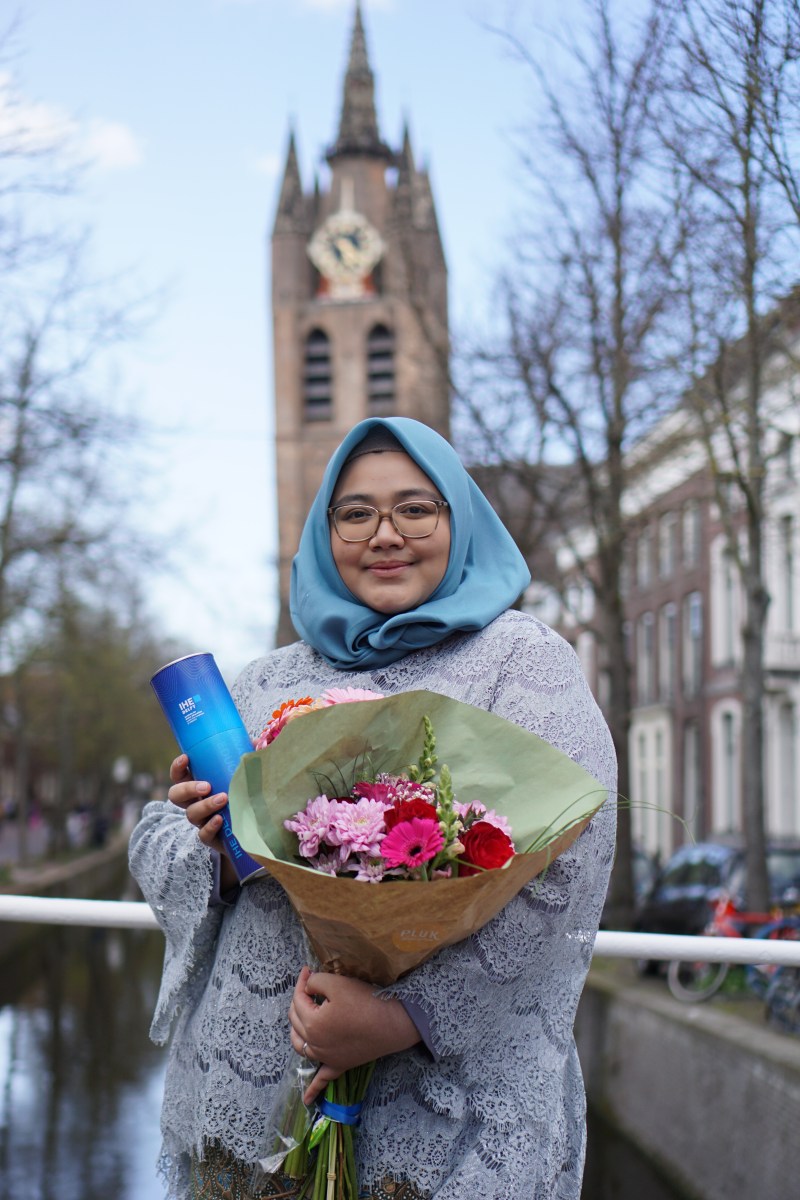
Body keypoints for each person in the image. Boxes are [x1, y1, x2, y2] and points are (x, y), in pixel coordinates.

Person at [130, 416, 617, 1200]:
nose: (385, 534)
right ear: (326, 533)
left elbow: (569, 866)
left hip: (435, 1118)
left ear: (459, 520)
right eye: (356, 513)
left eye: (416, 508)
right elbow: (154, 844)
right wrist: (211, 848)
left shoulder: (522, 663)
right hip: (250, 1104)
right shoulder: (262, 680)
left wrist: (402, 1020)